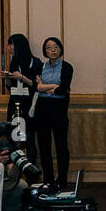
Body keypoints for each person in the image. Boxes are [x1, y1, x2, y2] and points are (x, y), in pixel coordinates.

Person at [36, 37, 74, 188]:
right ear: (45, 51)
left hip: (59, 108)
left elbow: (63, 88)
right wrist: (52, 87)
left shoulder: (67, 66)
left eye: (56, 47)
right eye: (49, 48)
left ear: (61, 49)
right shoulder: (41, 66)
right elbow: (36, 87)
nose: (52, 50)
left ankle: (62, 179)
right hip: (42, 108)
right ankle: (48, 179)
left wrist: (45, 87)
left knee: (61, 145)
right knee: (44, 145)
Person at [2, 33, 42, 160]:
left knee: (29, 139)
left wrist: (22, 77)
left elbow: (36, 85)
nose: (9, 48)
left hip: (29, 104)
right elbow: (10, 86)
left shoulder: (35, 62)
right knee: (14, 137)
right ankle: (16, 171)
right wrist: (7, 78)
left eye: (11, 44)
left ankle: (31, 172)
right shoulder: (13, 62)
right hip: (14, 102)